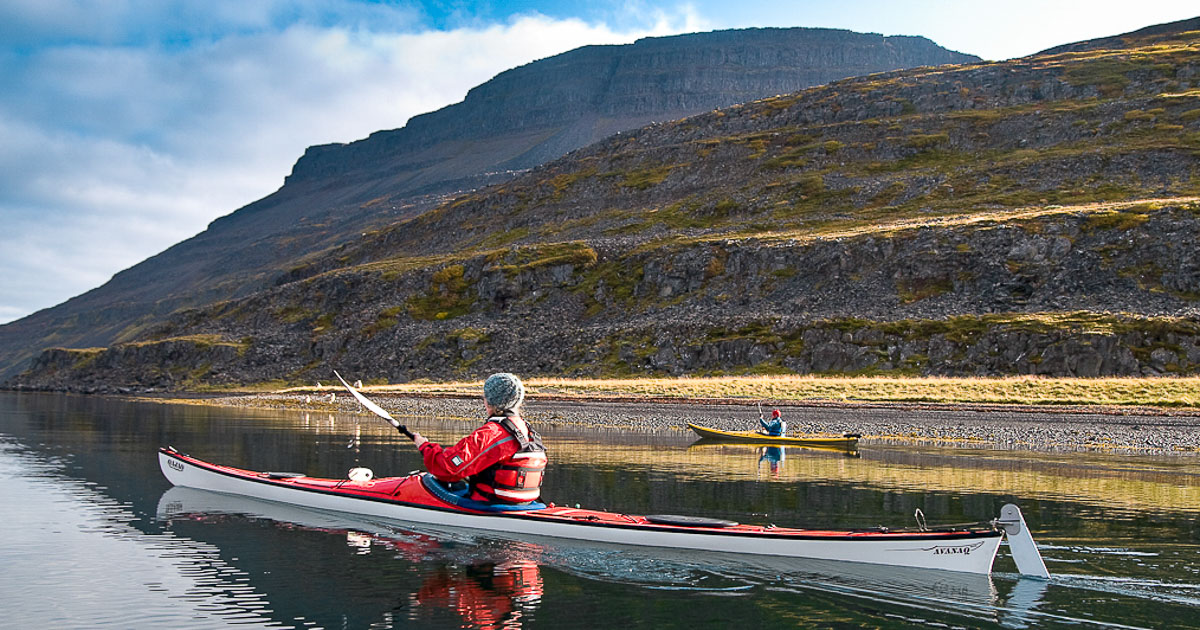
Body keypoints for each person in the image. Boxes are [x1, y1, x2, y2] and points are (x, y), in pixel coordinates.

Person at [410, 373, 546, 504]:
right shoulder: (526, 429)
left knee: (433, 482)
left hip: (491, 504)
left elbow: (448, 469)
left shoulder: (491, 433)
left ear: (490, 402)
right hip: (525, 502)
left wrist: (425, 447)